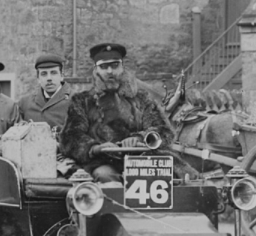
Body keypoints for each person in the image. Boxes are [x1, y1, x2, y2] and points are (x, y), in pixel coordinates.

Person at [60, 42, 172, 182]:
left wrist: (139, 138)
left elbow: (164, 131)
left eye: (114, 66)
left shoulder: (142, 99)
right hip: (103, 162)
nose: (109, 72)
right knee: (105, 175)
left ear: (122, 68)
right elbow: (70, 137)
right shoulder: (82, 101)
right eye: (103, 67)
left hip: (142, 161)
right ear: (96, 70)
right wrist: (94, 147)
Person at [17, 54, 72, 130]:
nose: (49, 78)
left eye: (53, 73)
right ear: (38, 78)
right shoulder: (25, 103)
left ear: (61, 76)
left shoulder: (75, 102)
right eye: (44, 74)